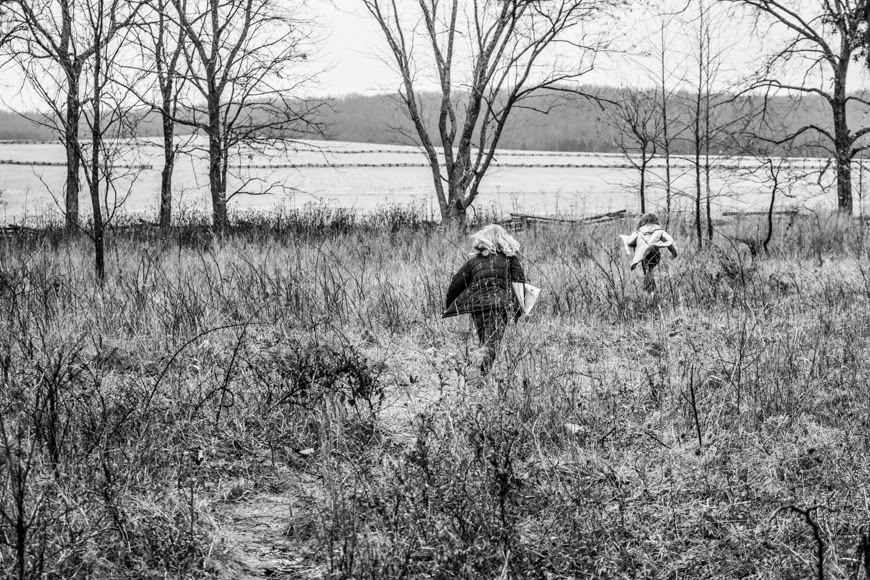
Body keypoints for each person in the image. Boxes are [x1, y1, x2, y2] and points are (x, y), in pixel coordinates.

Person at [442, 224, 526, 376]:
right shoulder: (510, 258)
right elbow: (518, 282)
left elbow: (456, 283)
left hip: (478, 307)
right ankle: (480, 376)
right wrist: (521, 309)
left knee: (485, 340)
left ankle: (477, 373)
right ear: (502, 239)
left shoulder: (473, 262)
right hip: (500, 306)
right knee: (492, 342)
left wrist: (448, 305)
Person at [621, 213, 678, 295]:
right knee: (650, 271)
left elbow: (630, 242)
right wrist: (674, 253)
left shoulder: (638, 232)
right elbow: (670, 242)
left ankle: (651, 292)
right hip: (655, 253)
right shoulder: (659, 231)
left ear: (643, 221)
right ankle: (652, 291)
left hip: (644, 254)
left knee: (647, 272)